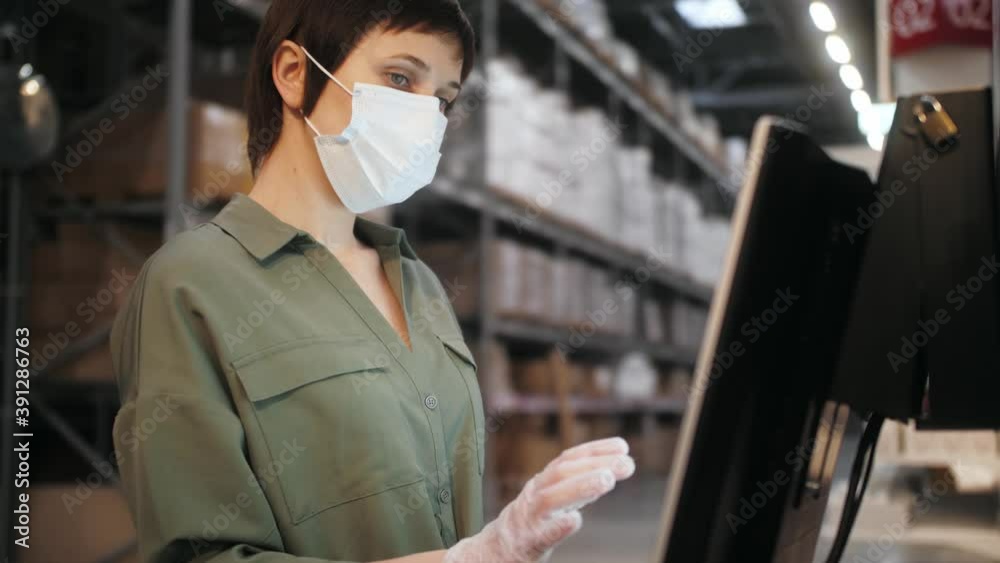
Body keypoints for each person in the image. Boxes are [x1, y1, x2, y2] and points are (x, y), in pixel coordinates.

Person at [109, 1, 635, 562]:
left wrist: (503, 546)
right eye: (400, 77)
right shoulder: (190, 285)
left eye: (443, 99)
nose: (425, 116)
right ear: (294, 73)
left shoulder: (421, 285)